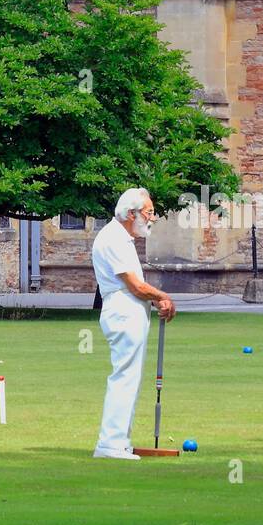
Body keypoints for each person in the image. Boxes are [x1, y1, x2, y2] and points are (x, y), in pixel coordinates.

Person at [91, 187, 176, 459]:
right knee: (124, 377)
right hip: (122, 311)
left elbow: (137, 289)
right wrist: (162, 296)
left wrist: (155, 301)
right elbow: (135, 286)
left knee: (130, 377)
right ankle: (110, 444)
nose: (151, 218)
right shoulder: (113, 238)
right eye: (148, 212)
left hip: (129, 311)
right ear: (131, 213)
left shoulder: (122, 238)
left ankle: (120, 441)